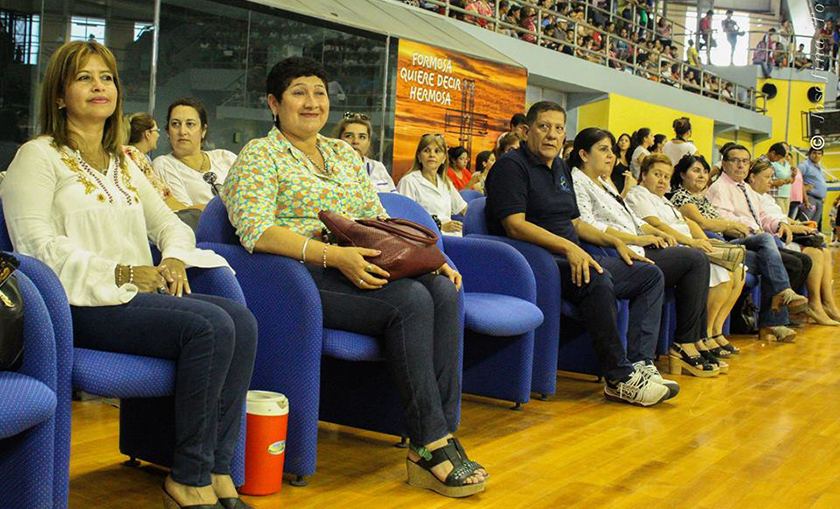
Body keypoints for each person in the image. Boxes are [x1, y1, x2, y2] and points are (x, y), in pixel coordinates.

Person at [0, 40, 258, 509]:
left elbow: (169, 224)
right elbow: (35, 247)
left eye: (107, 78)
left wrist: (173, 258)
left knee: (241, 319)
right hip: (74, 303)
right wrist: (120, 272)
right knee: (210, 326)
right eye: (84, 78)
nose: (99, 86)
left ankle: (217, 470)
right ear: (59, 95)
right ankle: (188, 479)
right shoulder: (37, 157)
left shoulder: (122, 162)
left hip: (133, 297)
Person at [220, 56, 486, 497]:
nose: (312, 102)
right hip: (298, 277)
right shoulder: (259, 155)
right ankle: (429, 444)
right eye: (299, 93)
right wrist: (333, 256)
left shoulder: (344, 154)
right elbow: (257, 231)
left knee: (441, 289)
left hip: (357, 262)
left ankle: (438, 432)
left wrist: (425, 257)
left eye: (319, 93)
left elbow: (377, 219)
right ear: (274, 103)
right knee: (411, 301)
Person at [485, 102, 677, 406]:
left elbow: (574, 223)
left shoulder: (560, 168)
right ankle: (618, 378)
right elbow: (515, 225)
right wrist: (568, 247)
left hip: (572, 256)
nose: (552, 135)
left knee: (649, 275)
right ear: (526, 131)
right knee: (597, 279)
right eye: (543, 127)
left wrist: (614, 242)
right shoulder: (511, 167)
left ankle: (639, 364)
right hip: (535, 262)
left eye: (558, 129)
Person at [570, 132, 720, 377]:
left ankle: (692, 340)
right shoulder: (578, 181)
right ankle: (681, 344)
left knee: (697, 258)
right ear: (584, 154)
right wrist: (639, 239)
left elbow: (633, 219)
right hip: (618, 251)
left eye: (611, 150)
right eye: (603, 150)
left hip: (638, 244)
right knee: (694, 260)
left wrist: (657, 234)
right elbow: (589, 225)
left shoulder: (603, 183)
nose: (611, 156)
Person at [626, 154, 745, 357]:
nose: (662, 180)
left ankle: (711, 332)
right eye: (657, 174)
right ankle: (695, 338)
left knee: (737, 269)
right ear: (644, 175)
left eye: (666, 176)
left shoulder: (664, 200)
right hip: (665, 248)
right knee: (712, 268)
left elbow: (689, 223)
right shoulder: (638, 195)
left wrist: (705, 242)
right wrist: (691, 242)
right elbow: (656, 224)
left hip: (686, 247)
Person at [705, 145, 811, 343]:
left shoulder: (746, 188)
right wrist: (753, 228)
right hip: (733, 241)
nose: (741, 165)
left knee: (801, 261)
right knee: (766, 240)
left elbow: (762, 216)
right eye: (735, 160)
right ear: (724, 164)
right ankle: (779, 306)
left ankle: (771, 319)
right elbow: (722, 219)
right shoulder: (719, 188)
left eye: (745, 161)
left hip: (756, 242)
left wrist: (779, 224)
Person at [748, 159, 840, 325]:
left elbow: (782, 217)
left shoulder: (767, 197)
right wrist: (795, 228)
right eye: (767, 177)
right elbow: (766, 223)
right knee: (814, 254)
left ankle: (827, 303)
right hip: (776, 237)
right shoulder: (752, 197)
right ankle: (814, 304)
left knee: (825, 252)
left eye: (771, 177)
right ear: (753, 178)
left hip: (783, 232)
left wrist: (799, 224)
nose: (771, 181)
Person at [152, 97, 237, 209]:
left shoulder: (226, 157)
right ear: (168, 131)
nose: (182, 131)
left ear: (203, 130)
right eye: (175, 124)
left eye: (190, 124)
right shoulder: (164, 165)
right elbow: (185, 213)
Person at [399, 136, 468, 236]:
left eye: (437, 151)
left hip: (453, 235)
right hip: (428, 237)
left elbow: (463, 208)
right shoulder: (409, 181)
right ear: (419, 157)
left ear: (444, 158)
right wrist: (440, 226)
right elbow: (405, 219)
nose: (432, 155)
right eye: (426, 151)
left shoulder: (445, 182)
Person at [336, 112, 397, 192]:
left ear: (369, 142)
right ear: (338, 140)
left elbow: (394, 197)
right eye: (349, 136)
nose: (355, 141)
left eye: (362, 137)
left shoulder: (377, 167)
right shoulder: (329, 167)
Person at [798, 147, 828, 230]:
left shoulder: (819, 168)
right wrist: (806, 200)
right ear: (809, 154)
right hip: (810, 199)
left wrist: (823, 196)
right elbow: (797, 181)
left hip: (819, 200)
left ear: (822, 155)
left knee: (814, 225)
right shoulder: (804, 165)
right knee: (806, 223)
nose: (816, 155)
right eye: (814, 153)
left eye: (819, 153)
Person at [758, 142, 793, 214]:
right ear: (773, 153)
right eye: (778, 158)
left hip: (769, 197)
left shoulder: (768, 163)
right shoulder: (762, 162)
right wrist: (775, 182)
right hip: (762, 197)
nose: (777, 160)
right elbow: (759, 181)